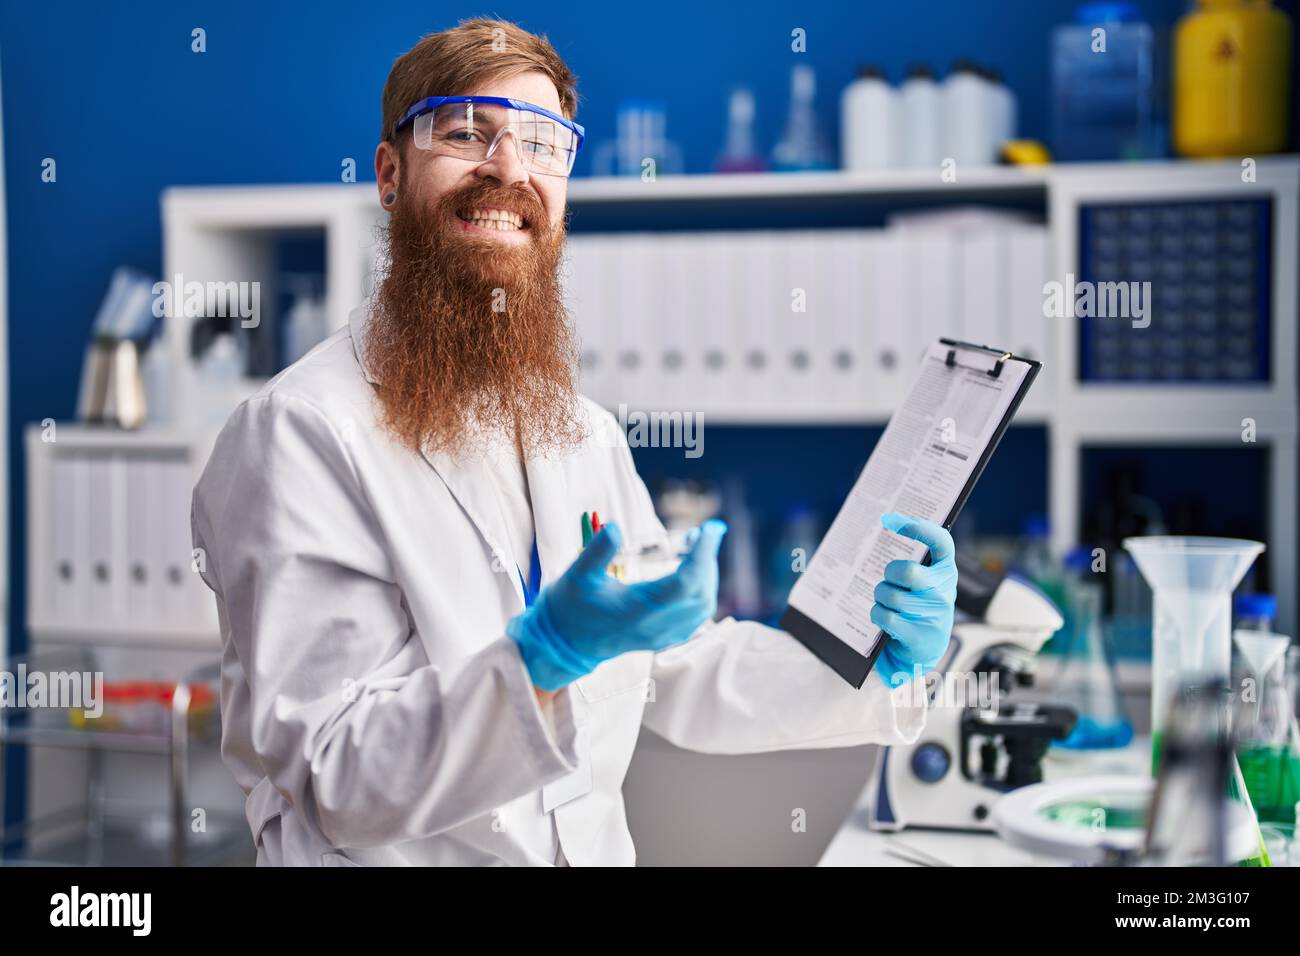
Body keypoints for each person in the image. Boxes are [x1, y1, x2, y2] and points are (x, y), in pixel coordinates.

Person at [191, 17, 957, 866]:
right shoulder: (299, 433)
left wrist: (880, 663)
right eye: (465, 132)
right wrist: (543, 659)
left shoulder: (580, 431)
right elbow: (335, 775)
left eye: (542, 143)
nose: (508, 168)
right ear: (389, 174)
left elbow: (673, 662)